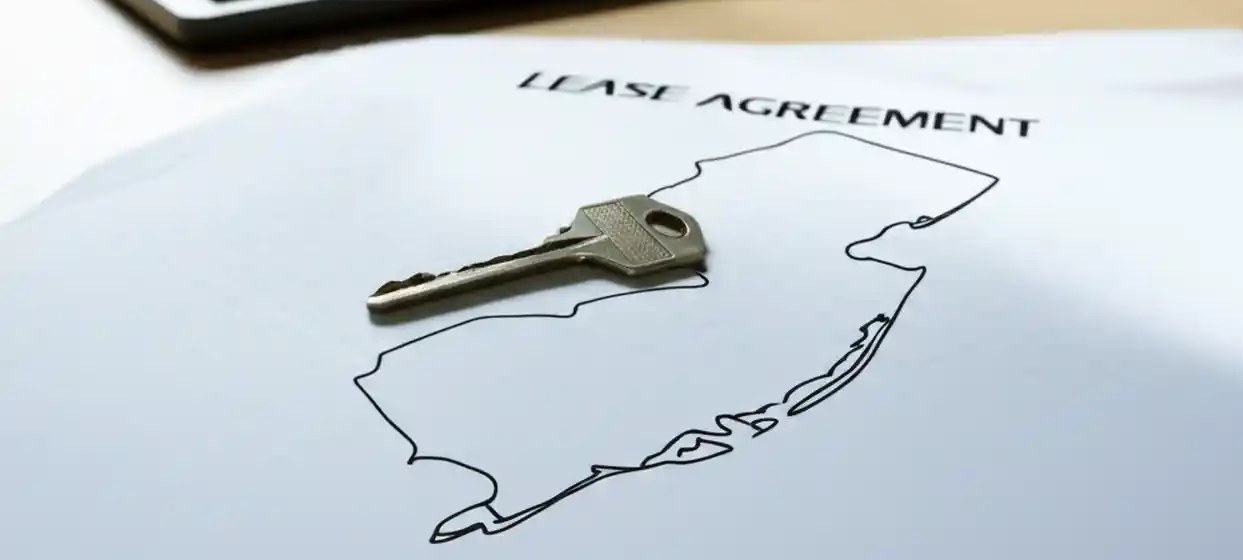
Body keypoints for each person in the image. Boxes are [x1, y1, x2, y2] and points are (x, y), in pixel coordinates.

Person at [355, 130, 997, 543]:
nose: (699, 164)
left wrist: (523, 497)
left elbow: (741, 415)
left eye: (713, 169)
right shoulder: (853, 298)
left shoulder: (843, 306)